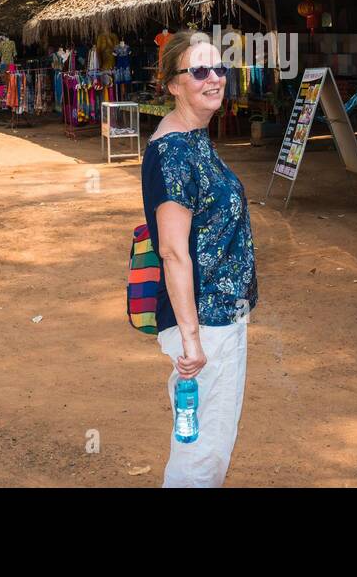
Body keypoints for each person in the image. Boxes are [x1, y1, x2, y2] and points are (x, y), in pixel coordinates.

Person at [141, 30, 259, 486]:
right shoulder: (173, 153)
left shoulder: (193, 137)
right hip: (204, 324)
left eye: (219, 69)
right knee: (201, 452)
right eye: (199, 71)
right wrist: (192, 340)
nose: (214, 79)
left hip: (220, 316)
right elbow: (172, 251)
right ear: (172, 83)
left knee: (210, 443)